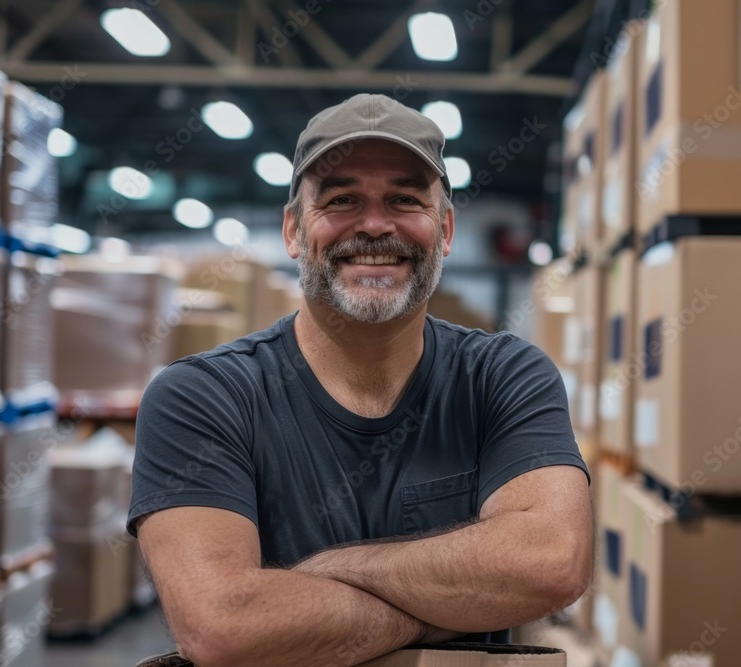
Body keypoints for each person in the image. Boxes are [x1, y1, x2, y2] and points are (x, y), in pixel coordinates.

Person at [128, 93, 593, 667]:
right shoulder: (202, 397)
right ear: (295, 231)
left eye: (404, 199)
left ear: (444, 230)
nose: (375, 225)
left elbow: (551, 563)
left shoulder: (503, 377)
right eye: (342, 199)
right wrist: (455, 604)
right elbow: (223, 626)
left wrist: (326, 575)